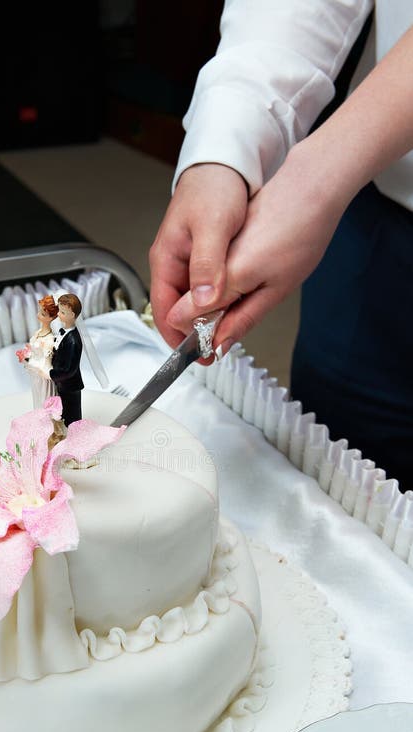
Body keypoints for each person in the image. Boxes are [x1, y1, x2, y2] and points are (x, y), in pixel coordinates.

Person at [149, 2, 413, 488]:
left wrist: (320, 174)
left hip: (344, 178)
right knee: (333, 478)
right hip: (378, 219)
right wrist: (224, 149)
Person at [17, 295, 59, 409]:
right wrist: (27, 354)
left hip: (43, 377)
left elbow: (46, 364)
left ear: (51, 318)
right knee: (37, 400)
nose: (38, 315)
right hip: (35, 375)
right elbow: (34, 350)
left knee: (43, 402)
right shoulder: (39, 332)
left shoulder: (49, 339)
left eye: (43, 314)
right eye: (39, 311)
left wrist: (28, 360)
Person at [50, 293, 84, 427]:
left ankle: (76, 437)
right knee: (62, 413)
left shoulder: (73, 340)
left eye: (63, 312)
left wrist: (51, 373)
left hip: (70, 384)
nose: (58, 314)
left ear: (73, 315)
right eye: (59, 310)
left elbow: (70, 369)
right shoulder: (61, 331)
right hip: (62, 383)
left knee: (72, 416)